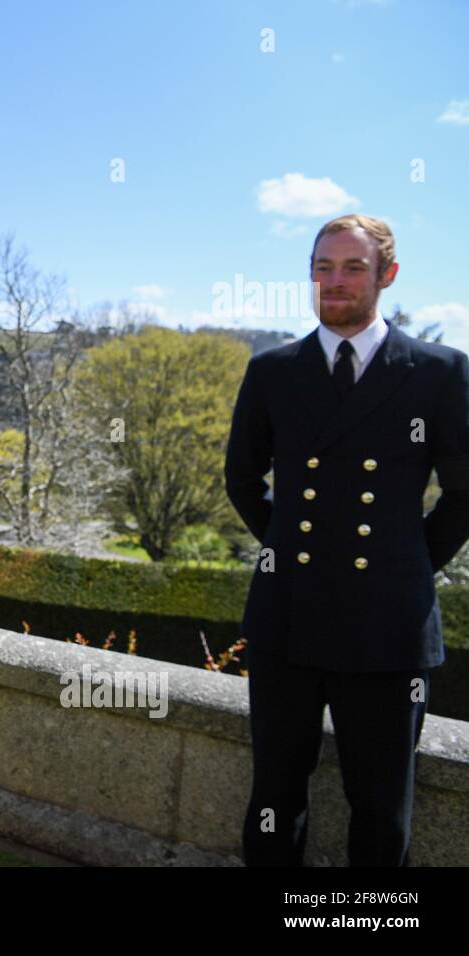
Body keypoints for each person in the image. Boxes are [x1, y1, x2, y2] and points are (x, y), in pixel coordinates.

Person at [225, 213, 469, 866]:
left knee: (382, 808)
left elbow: (465, 491)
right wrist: (286, 550)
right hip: (288, 617)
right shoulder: (274, 370)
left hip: (388, 624)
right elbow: (242, 478)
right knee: (275, 797)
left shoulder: (439, 371)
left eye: (353, 268)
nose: (335, 282)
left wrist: (406, 561)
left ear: (386, 276)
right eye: (323, 268)